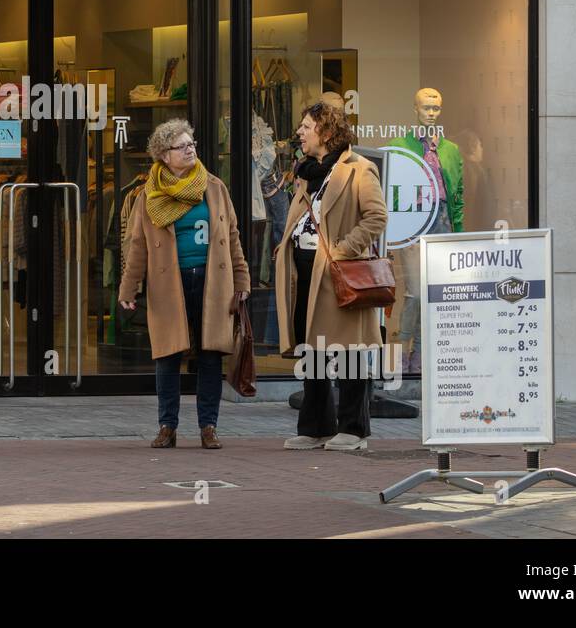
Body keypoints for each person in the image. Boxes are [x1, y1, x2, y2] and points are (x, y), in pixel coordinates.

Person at [119, 119, 250, 450]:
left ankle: (209, 426)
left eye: (192, 143)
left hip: (212, 284)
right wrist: (128, 288)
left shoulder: (214, 187)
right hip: (169, 285)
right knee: (167, 355)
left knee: (210, 354)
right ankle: (167, 426)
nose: (191, 149)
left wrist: (241, 278)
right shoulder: (148, 196)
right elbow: (137, 246)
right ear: (164, 155)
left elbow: (232, 236)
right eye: (182, 145)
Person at [275, 101, 387, 451]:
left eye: (306, 127)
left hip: (338, 271)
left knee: (350, 350)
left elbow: (376, 218)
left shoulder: (359, 168)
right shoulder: (308, 172)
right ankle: (315, 427)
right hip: (305, 269)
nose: (300, 133)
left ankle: (354, 431)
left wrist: (341, 250)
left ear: (324, 131)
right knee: (313, 349)